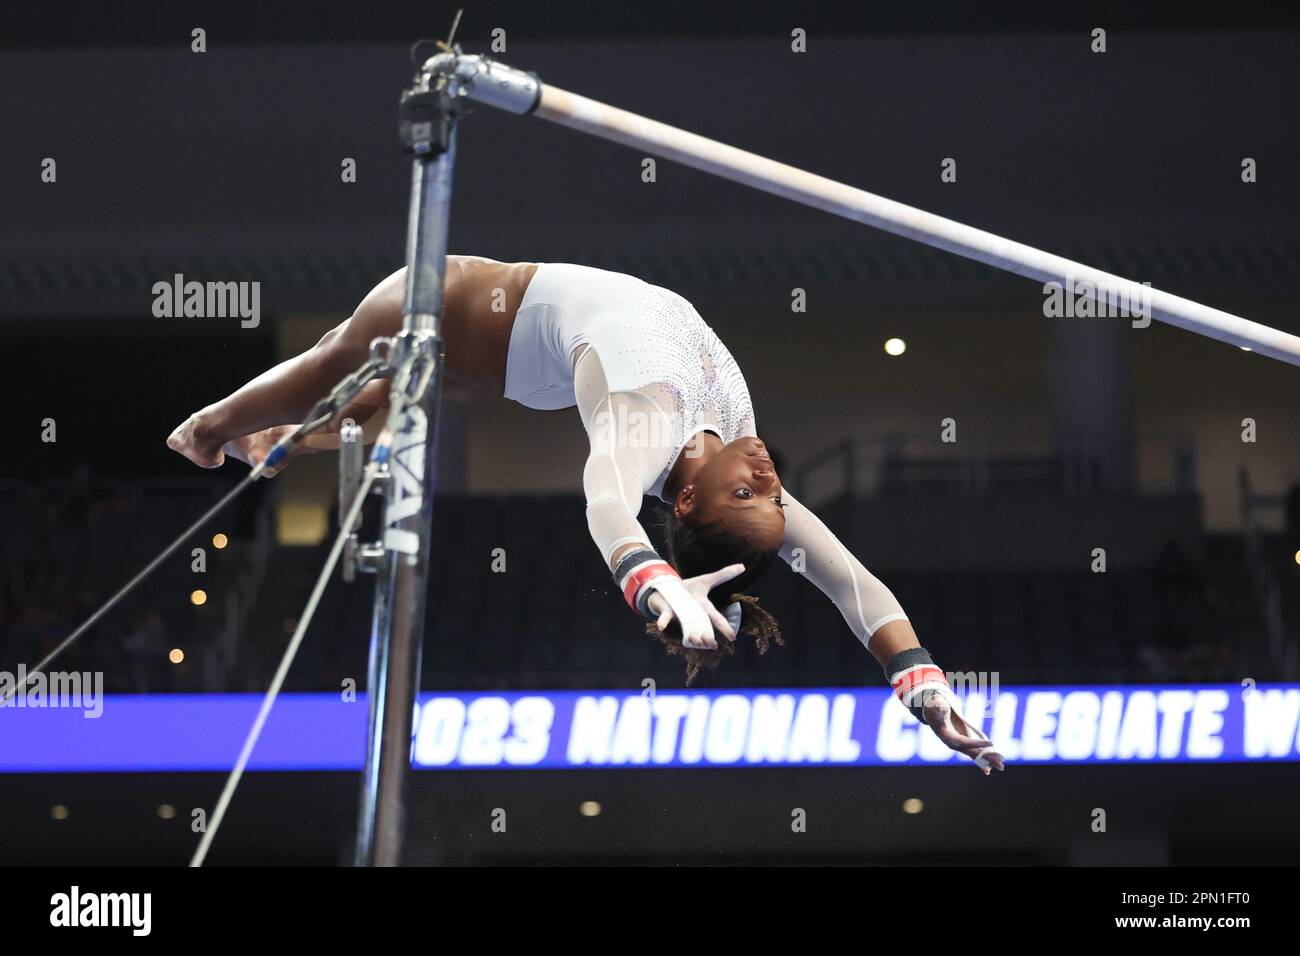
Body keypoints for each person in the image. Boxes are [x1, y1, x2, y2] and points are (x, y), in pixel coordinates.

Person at [168, 257, 1003, 772]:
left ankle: (208, 429)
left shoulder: (649, 419)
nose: (766, 475)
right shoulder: (734, 446)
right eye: (773, 492)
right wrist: (921, 682)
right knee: (381, 397)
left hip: (454, 302)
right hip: (520, 356)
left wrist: (653, 583)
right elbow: (850, 580)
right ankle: (283, 440)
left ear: (686, 498)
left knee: (345, 357)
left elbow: (604, 500)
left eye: (748, 493)